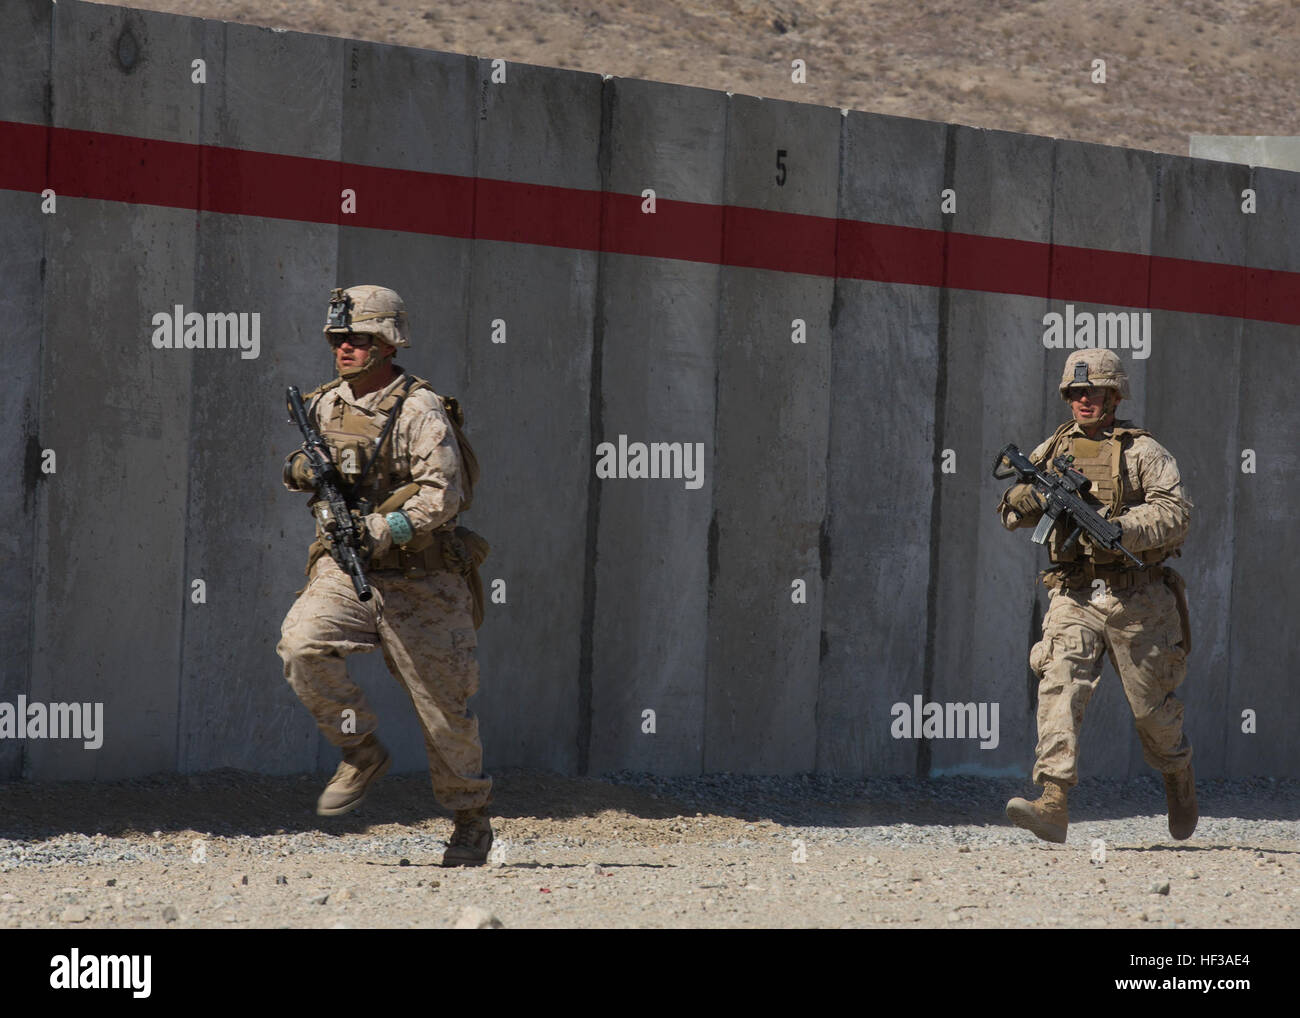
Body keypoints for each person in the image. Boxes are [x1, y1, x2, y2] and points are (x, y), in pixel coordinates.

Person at [277, 284, 493, 867]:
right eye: (337, 338)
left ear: (386, 343)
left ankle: (470, 818)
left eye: (358, 339)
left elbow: (444, 495)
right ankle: (360, 748)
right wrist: (305, 469)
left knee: (444, 710)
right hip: (346, 569)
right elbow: (299, 472)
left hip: (422, 577)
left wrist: (382, 529)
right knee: (301, 645)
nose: (343, 348)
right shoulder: (324, 405)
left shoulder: (419, 409)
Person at [996, 348, 1196, 844]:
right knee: (1059, 684)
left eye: (1095, 392)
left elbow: (1176, 511)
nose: (1085, 400)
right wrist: (1035, 497)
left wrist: (1121, 528)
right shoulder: (1052, 450)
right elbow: (1010, 513)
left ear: (1114, 395)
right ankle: (1053, 801)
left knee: (1151, 710)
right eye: (1077, 393)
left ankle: (1177, 772)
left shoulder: (1143, 451)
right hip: (1074, 594)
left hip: (1139, 598)